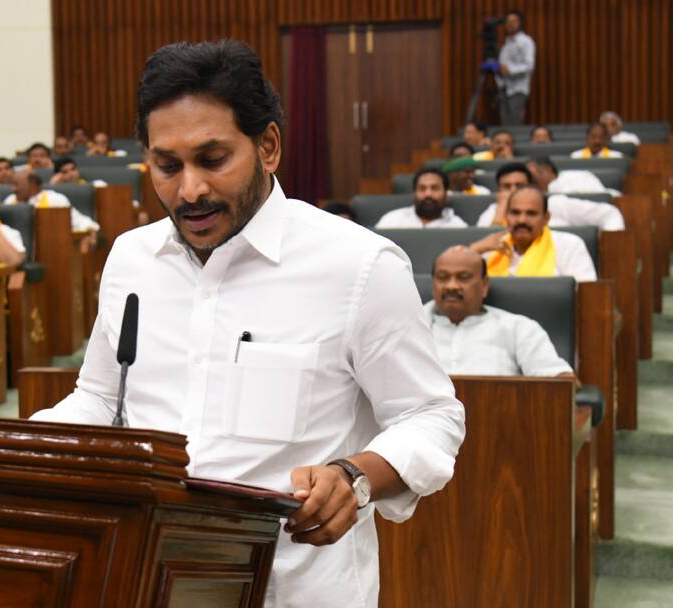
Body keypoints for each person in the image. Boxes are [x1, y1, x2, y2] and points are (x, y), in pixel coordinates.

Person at [28, 40, 465, 606]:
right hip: (149, 579)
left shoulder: (358, 266)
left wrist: (354, 477)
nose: (189, 190)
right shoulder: (131, 259)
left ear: (268, 146)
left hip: (296, 588)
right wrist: (30, 445)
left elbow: (431, 416)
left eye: (212, 160)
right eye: (167, 166)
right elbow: (100, 398)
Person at [426, 246, 575, 377]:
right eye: (442, 277)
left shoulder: (518, 328)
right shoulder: (410, 327)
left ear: (484, 285)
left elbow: (560, 381)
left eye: (463, 277)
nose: (451, 286)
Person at [470, 185, 596, 282]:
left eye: (531, 213)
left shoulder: (570, 246)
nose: (522, 220)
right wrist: (475, 250)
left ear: (546, 218)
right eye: (515, 213)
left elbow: (587, 295)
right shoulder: (491, 249)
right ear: (506, 216)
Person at [476, 161, 624, 230]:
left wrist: (612, 248)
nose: (513, 190)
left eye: (519, 185)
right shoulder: (491, 212)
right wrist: (501, 210)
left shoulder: (556, 204)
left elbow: (609, 214)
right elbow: (485, 249)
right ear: (498, 190)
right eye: (507, 186)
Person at [5, 170, 100, 234]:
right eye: (12, 185)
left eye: (17, 184)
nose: (13, 189)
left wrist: (91, 232)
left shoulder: (55, 200)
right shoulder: (10, 201)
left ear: (33, 184)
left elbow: (80, 222)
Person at [376, 169, 467, 228]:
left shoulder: (458, 226)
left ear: (446, 194)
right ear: (414, 193)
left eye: (435, 188)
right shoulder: (392, 219)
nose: (428, 194)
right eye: (422, 189)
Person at [496, 10, 536, 125]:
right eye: (508, 21)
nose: (510, 24)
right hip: (504, 88)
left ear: (520, 23)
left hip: (518, 88)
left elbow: (529, 65)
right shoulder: (506, 43)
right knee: (505, 122)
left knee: (515, 121)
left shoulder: (526, 41)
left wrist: (510, 70)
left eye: (514, 21)